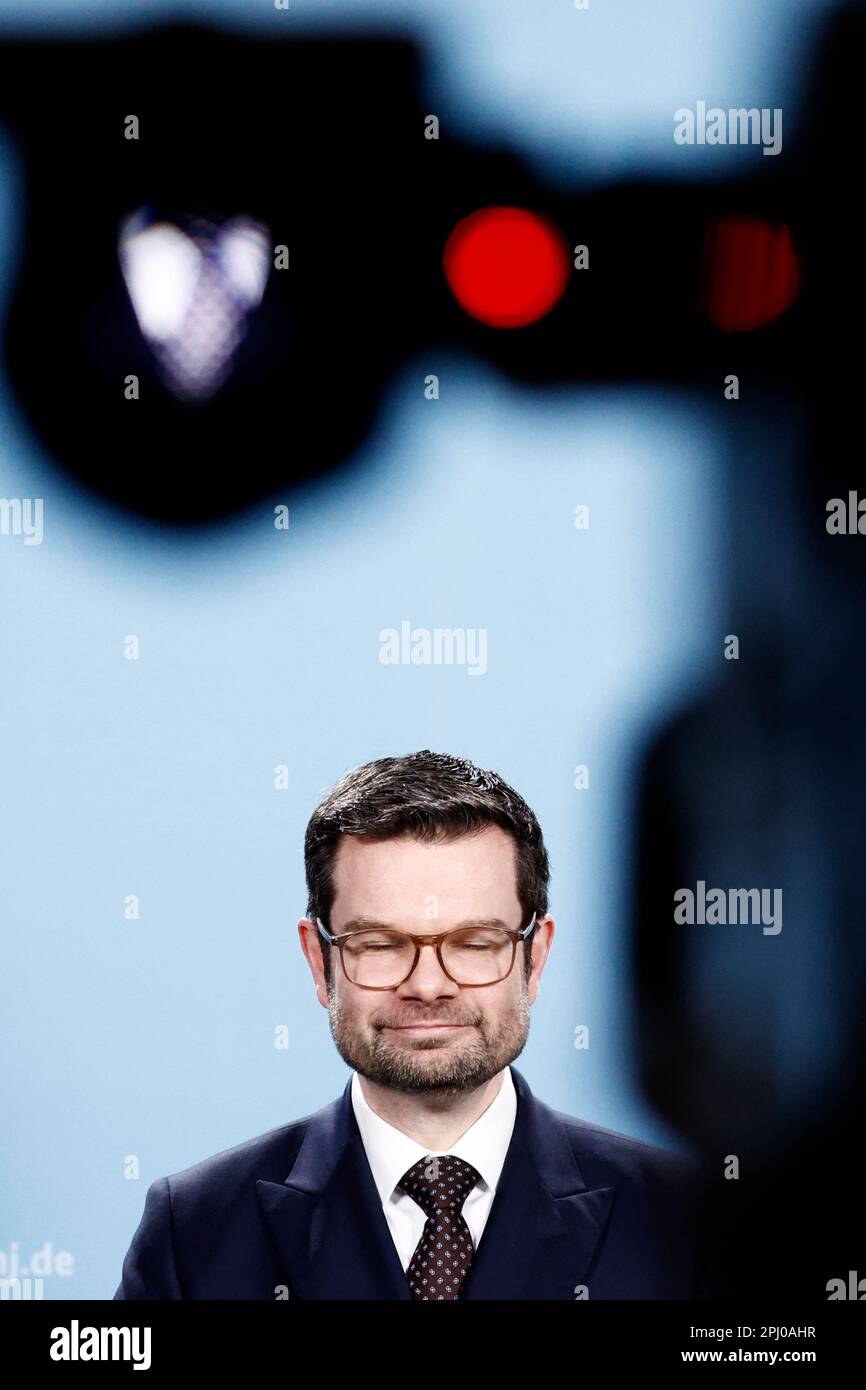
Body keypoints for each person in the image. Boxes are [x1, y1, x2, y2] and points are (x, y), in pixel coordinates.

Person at [114, 749, 710, 1300]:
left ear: (536, 958)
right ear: (320, 962)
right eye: (380, 944)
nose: (427, 985)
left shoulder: (688, 1221)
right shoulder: (192, 1231)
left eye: (476, 943)